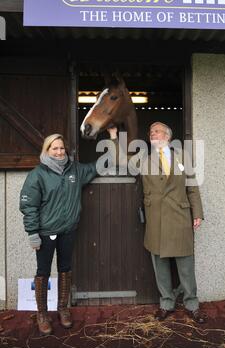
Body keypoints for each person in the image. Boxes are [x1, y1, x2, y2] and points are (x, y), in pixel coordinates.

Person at [19, 132, 114, 336]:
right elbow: (29, 205)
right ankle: (42, 314)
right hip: (45, 232)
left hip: (68, 230)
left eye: (62, 148)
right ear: (47, 150)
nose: (59, 151)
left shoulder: (76, 170)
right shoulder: (38, 174)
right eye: (55, 148)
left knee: (65, 268)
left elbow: (101, 164)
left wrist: (113, 139)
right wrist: (32, 232)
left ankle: (62, 308)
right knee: (43, 271)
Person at [110, 122, 206, 323]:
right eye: (151, 131)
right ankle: (166, 303)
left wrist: (197, 213)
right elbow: (121, 160)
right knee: (160, 265)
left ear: (167, 136)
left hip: (180, 217)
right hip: (155, 218)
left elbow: (192, 188)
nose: (152, 133)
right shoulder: (144, 158)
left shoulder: (183, 157)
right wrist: (113, 136)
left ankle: (192, 304)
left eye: (157, 131)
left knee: (186, 266)